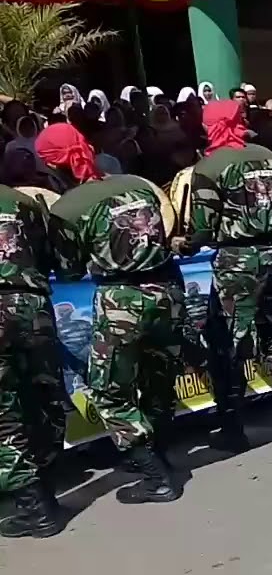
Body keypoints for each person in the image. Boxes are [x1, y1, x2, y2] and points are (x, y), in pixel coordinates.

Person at [39, 124, 186, 505]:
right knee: (158, 378)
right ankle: (161, 454)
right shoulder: (136, 185)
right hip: (169, 290)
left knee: (108, 391)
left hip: (123, 300)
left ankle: (155, 476)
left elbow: (69, 270)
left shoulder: (67, 208)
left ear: (55, 166)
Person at [185, 99, 272, 451]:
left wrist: (186, 244)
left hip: (237, 261)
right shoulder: (269, 157)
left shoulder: (209, 166)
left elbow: (203, 228)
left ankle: (232, 427)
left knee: (227, 342)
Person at [0, 181, 70, 537]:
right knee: (44, 395)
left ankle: (35, 505)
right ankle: (48, 486)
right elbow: (48, 254)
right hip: (31, 305)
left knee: (4, 415)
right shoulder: (22, 201)